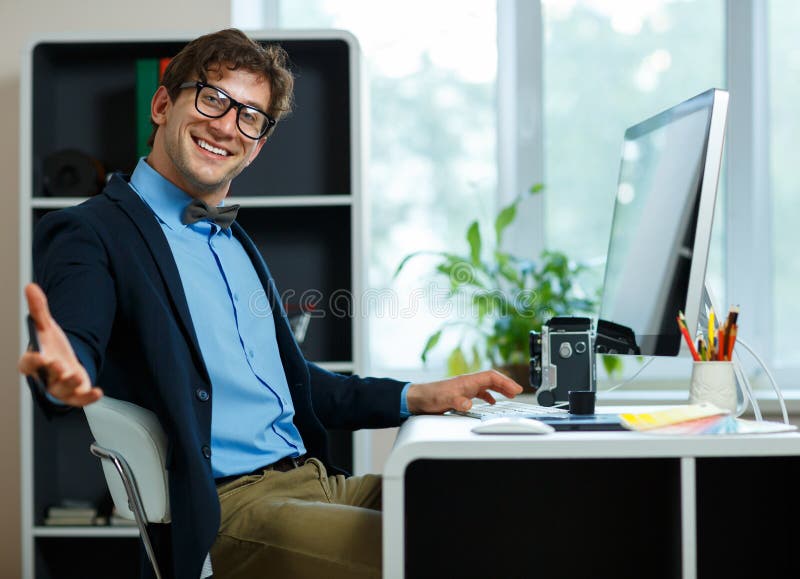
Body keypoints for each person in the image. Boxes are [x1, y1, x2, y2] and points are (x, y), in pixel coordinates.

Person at [18, 28, 522, 579]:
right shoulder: (91, 231)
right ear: (163, 104)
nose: (226, 126)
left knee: (494, 511)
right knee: (436, 551)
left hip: (315, 483)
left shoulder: (234, 243)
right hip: (231, 510)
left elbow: (294, 381)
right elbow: (71, 347)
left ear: (257, 143)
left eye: (249, 116)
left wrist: (418, 395)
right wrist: (60, 370)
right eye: (212, 98)